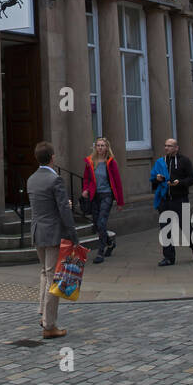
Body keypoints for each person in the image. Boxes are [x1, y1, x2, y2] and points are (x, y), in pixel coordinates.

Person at [27, 142, 80, 340]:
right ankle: (49, 325)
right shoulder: (55, 179)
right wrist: (73, 234)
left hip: (37, 232)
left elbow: (42, 205)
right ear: (52, 157)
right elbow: (63, 211)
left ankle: (43, 313)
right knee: (53, 278)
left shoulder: (31, 179)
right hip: (52, 234)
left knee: (44, 272)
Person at [151, 137, 193, 266]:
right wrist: (157, 179)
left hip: (180, 199)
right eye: (165, 145)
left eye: (170, 146)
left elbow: (192, 179)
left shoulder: (184, 161)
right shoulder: (161, 162)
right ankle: (168, 257)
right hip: (165, 200)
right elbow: (153, 181)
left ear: (176, 148)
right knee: (165, 229)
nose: (167, 148)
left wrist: (180, 183)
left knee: (185, 226)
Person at [82, 137, 124, 264]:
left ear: (107, 148)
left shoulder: (111, 162)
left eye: (102, 145)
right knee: (97, 223)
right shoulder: (90, 162)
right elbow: (86, 179)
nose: (100, 148)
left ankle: (100, 252)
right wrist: (86, 189)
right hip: (94, 196)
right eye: (98, 145)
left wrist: (120, 202)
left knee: (101, 222)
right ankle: (110, 243)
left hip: (107, 195)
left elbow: (117, 182)